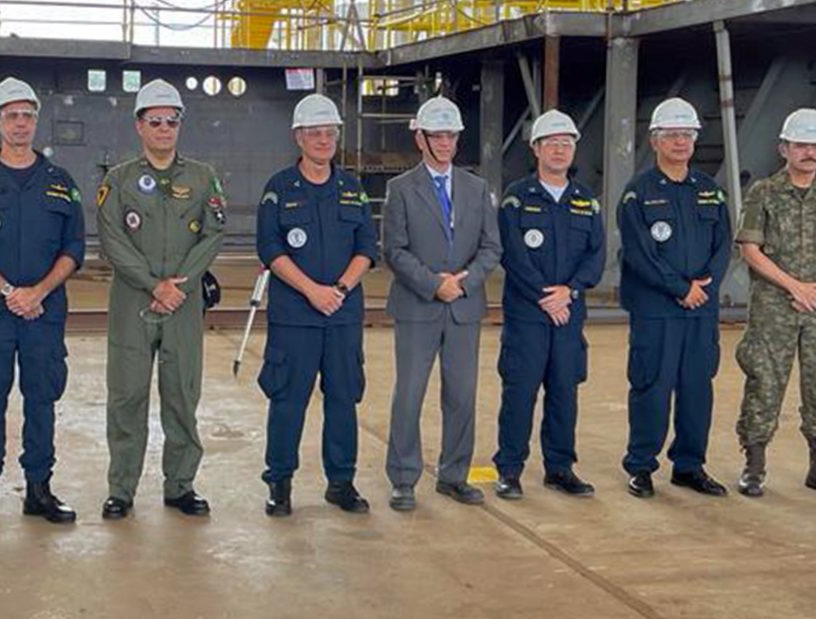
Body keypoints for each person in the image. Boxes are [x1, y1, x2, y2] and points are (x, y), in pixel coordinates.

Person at [0, 78, 85, 529]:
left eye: (28, 115)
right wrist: (10, 292)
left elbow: (74, 248)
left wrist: (39, 292)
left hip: (43, 314)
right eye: (11, 115)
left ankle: (38, 489)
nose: (21, 123)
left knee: (42, 398)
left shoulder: (60, 183)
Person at [97, 79, 226, 519]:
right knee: (126, 397)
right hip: (133, 303)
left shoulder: (202, 177)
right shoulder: (119, 181)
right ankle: (121, 489)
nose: (164, 129)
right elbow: (112, 240)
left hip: (183, 306)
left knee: (182, 395)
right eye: (155, 122)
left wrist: (180, 287)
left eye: (172, 121)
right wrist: (155, 286)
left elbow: (213, 234)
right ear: (139, 126)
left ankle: (181, 485)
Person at [256, 94, 379, 516]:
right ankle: (280, 483)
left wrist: (339, 290)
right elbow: (270, 248)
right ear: (298, 137)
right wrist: (312, 290)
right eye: (315, 133)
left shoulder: (352, 189)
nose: (324, 140)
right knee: (288, 400)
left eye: (330, 133)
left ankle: (341, 482)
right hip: (295, 317)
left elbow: (367, 247)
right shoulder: (278, 188)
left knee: (343, 399)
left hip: (342, 315)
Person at [733, 109, 816, 498]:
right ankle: (754, 465)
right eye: (802, 145)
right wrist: (795, 287)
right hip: (775, 306)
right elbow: (750, 249)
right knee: (764, 380)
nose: (810, 153)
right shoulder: (763, 192)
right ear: (784, 149)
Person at [381, 96, 501, 511]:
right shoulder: (400, 190)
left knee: (462, 395)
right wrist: (434, 284)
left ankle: (454, 475)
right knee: (410, 394)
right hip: (418, 306)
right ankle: (403, 477)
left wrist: (465, 283)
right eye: (438, 136)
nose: (446, 143)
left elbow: (491, 246)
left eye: (451, 135)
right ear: (421, 139)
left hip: (464, 306)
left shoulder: (476, 188)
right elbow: (394, 250)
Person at [617, 98, 733, 498]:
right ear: (654, 141)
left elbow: (723, 246)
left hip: (700, 312)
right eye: (672, 135)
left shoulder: (710, 192)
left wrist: (704, 288)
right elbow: (639, 254)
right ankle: (641, 466)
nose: (681, 142)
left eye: (687, 134)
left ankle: (689, 465)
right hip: (656, 311)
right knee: (651, 386)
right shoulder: (638, 194)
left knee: (697, 389)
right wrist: (681, 289)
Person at [493, 109, 605, 500]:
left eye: (567, 143)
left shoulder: (586, 200)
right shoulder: (517, 199)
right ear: (536, 148)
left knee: (564, 393)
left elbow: (596, 256)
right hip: (528, 316)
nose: (560, 150)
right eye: (552, 143)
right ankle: (509, 470)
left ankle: (560, 468)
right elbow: (513, 255)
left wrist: (569, 291)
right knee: (519, 393)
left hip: (568, 315)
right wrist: (547, 296)